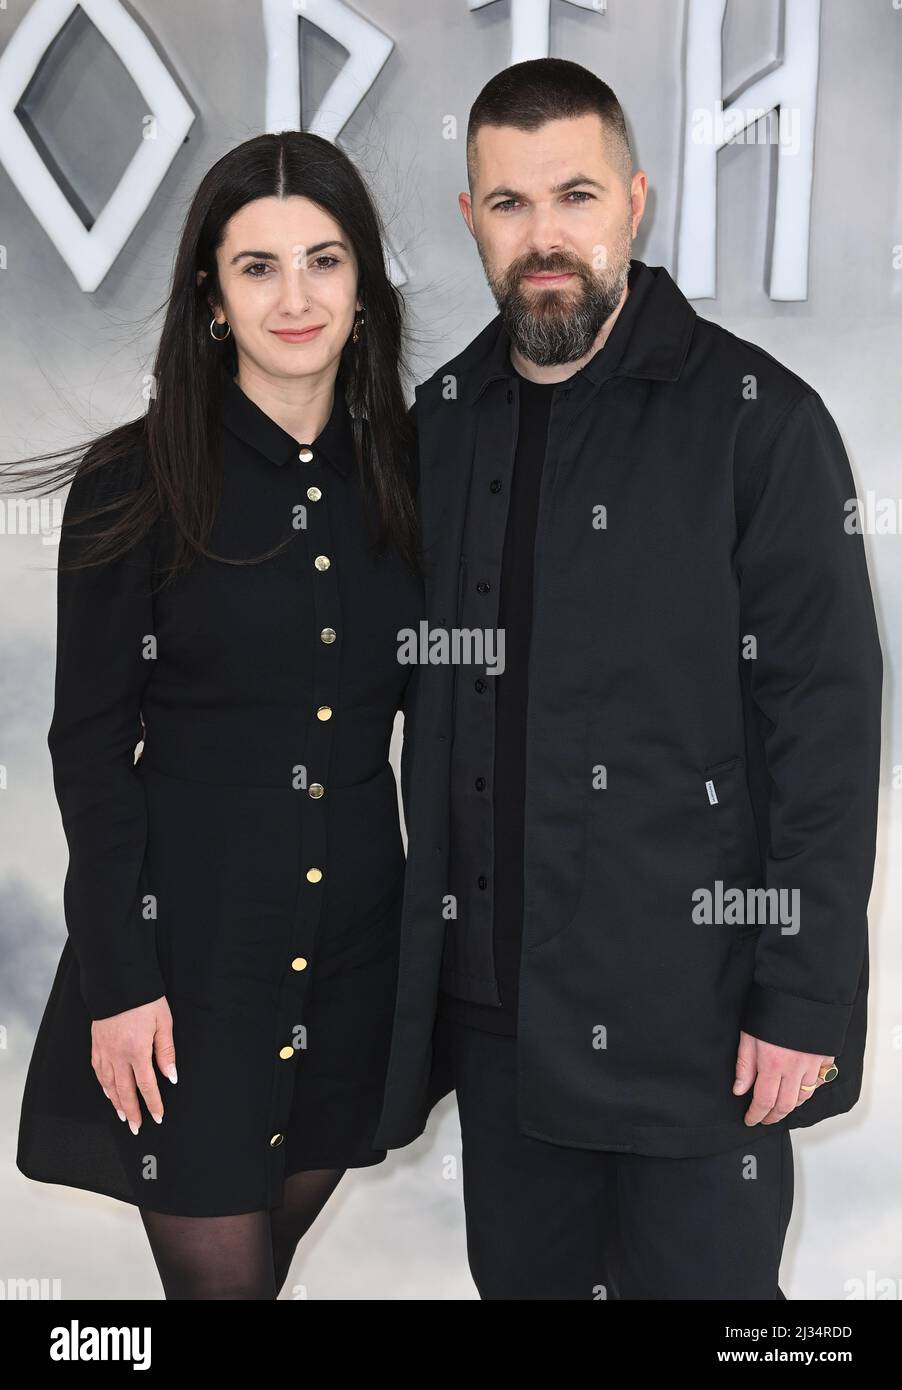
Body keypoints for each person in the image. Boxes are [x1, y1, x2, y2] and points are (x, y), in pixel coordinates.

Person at [373, 58, 883, 1300]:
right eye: (508, 203)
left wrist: (802, 997)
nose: (544, 237)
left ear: (635, 203)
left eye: (575, 195)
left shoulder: (755, 419)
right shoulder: (435, 427)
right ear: (469, 220)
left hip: (700, 1028)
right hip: (500, 1036)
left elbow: (825, 722)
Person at [11, 129, 423, 1299]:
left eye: (324, 260)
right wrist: (118, 978)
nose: (294, 297)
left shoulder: (415, 473)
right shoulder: (132, 484)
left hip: (358, 955)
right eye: (257, 266)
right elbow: (87, 753)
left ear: (363, 285)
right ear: (211, 293)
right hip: (186, 962)